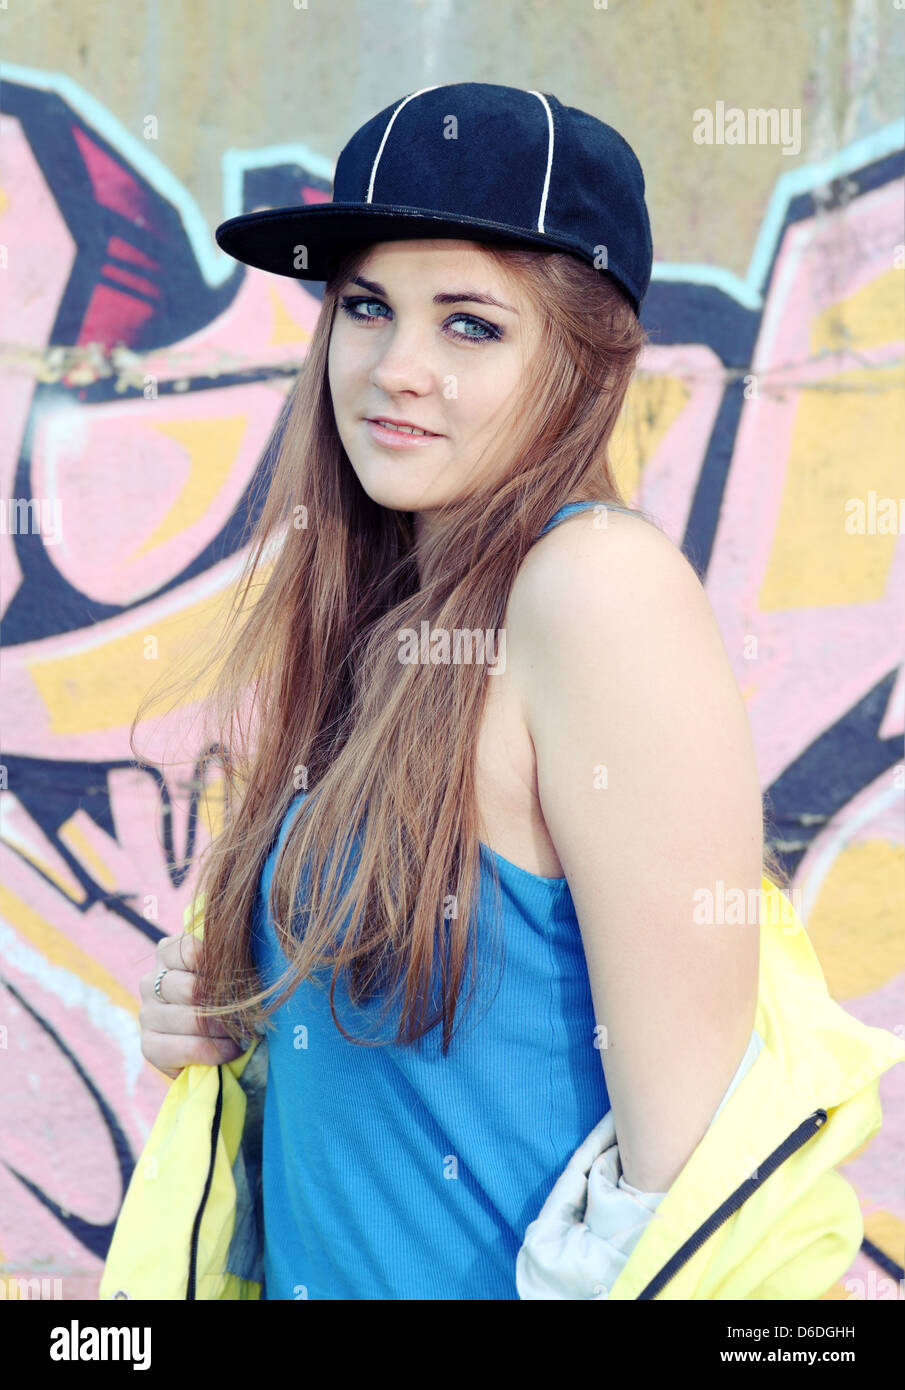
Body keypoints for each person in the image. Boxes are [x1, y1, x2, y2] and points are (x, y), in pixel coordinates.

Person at [101, 83, 903, 1302]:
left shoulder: (591, 592)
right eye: (367, 307)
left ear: (587, 363)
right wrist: (236, 1021)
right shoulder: (390, 633)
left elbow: (689, 1200)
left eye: (468, 324)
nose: (395, 368)